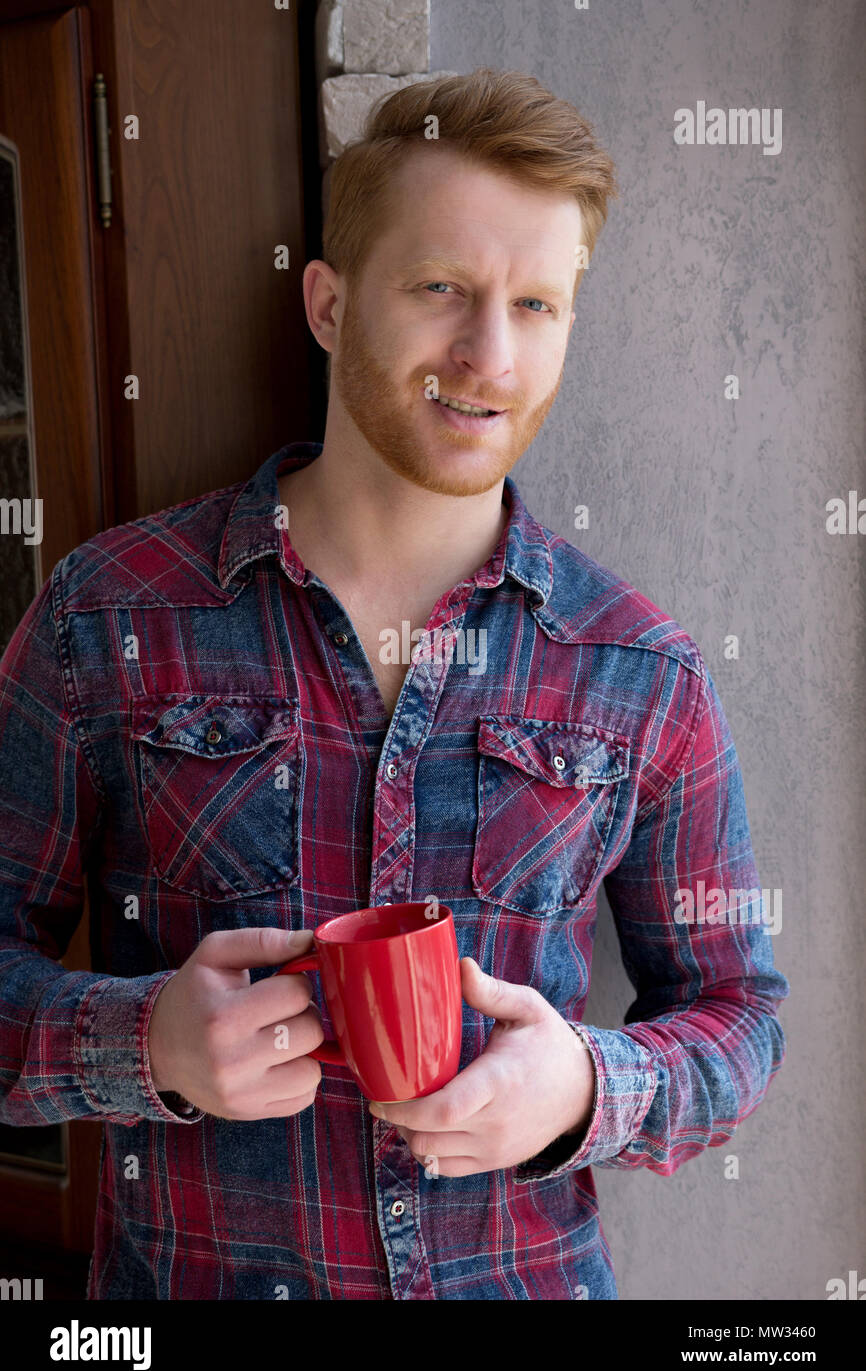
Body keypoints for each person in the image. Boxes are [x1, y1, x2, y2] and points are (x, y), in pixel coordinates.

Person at [0, 68, 787, 1300]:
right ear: (325, 303)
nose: (489, 354)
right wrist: (140, 1039)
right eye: (441, 289)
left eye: (537, 303)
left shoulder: (641, 672)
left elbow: (742, 1016)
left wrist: (584, 1085)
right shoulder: (106, 619)